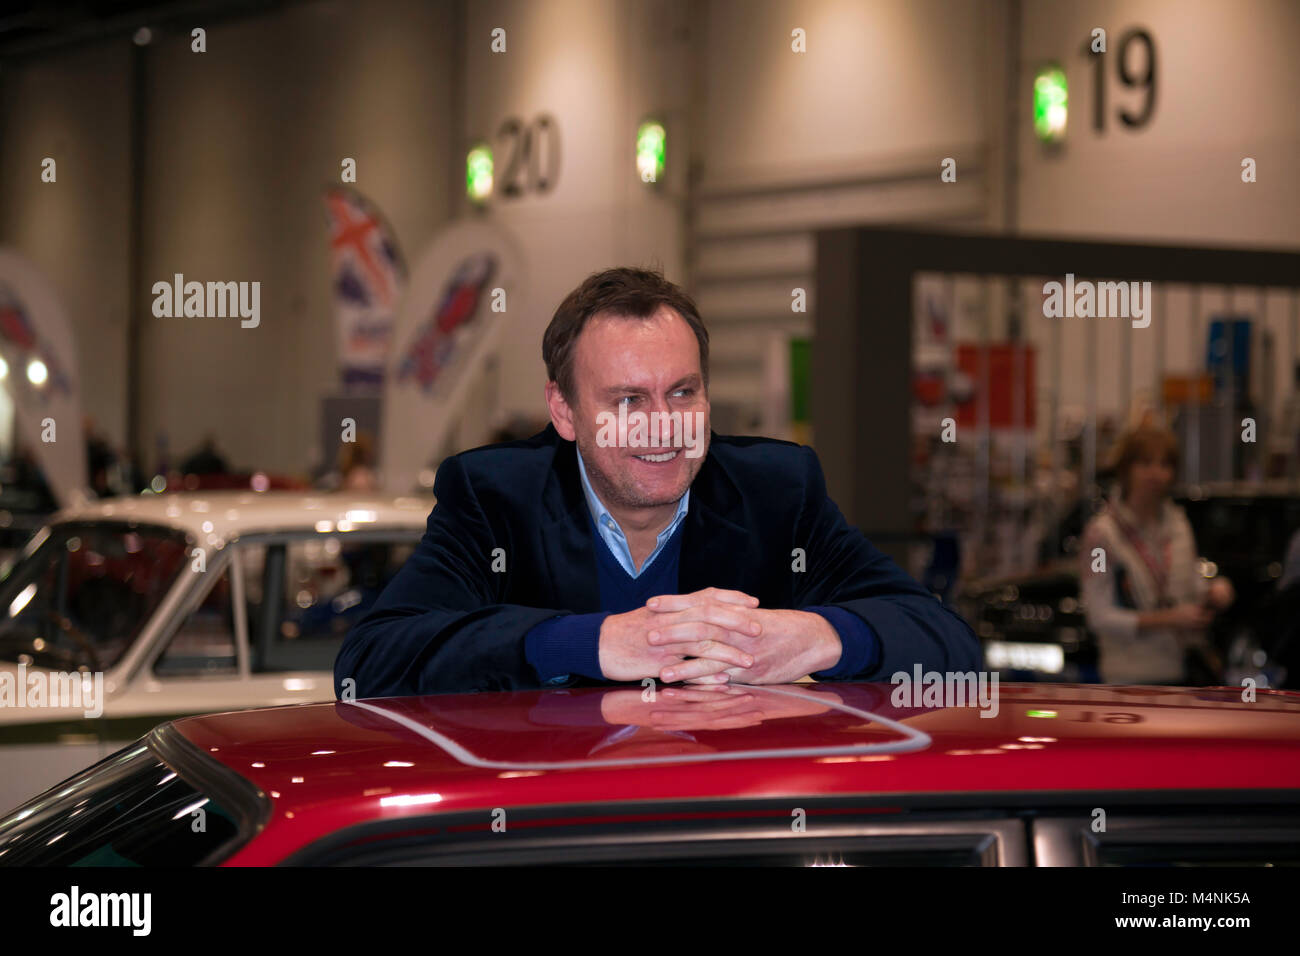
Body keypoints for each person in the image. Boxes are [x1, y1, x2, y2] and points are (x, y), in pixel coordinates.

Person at [335, 267, 979, 696]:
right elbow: (370, 664)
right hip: (549, 834)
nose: (663, 428)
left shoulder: (775, 492)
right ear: (564, 411)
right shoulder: (495, 497)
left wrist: (817, 638)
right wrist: (588, 642)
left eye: (682, 392)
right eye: (627, 401)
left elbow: (949, 645)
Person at [1080, 425, 1234, 684]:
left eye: (1165, 464)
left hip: (1180, 671)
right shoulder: (1102, 534)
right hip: (1128, 677)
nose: (1156, 473)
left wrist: (1213, 592)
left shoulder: (1179, 525)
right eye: (1145, 463)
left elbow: (1188, 585)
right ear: (1126, 469)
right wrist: (1167, 619)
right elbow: (1099, 616)